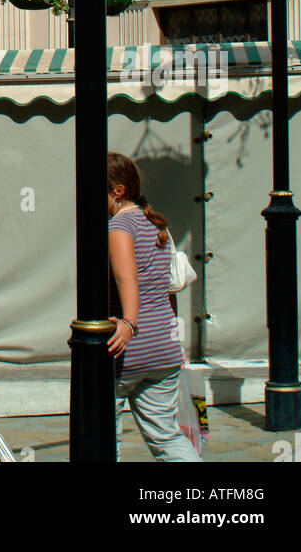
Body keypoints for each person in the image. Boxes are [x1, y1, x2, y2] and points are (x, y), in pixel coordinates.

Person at [107, 152, 201, 463]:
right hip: (164, 347)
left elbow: (126, 279)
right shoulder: (154, 221)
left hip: (127, 349)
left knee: (102, 437)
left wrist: (130, 323)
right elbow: (169, 286)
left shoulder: (119, 227)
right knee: (167, 437)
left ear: (118, 190)